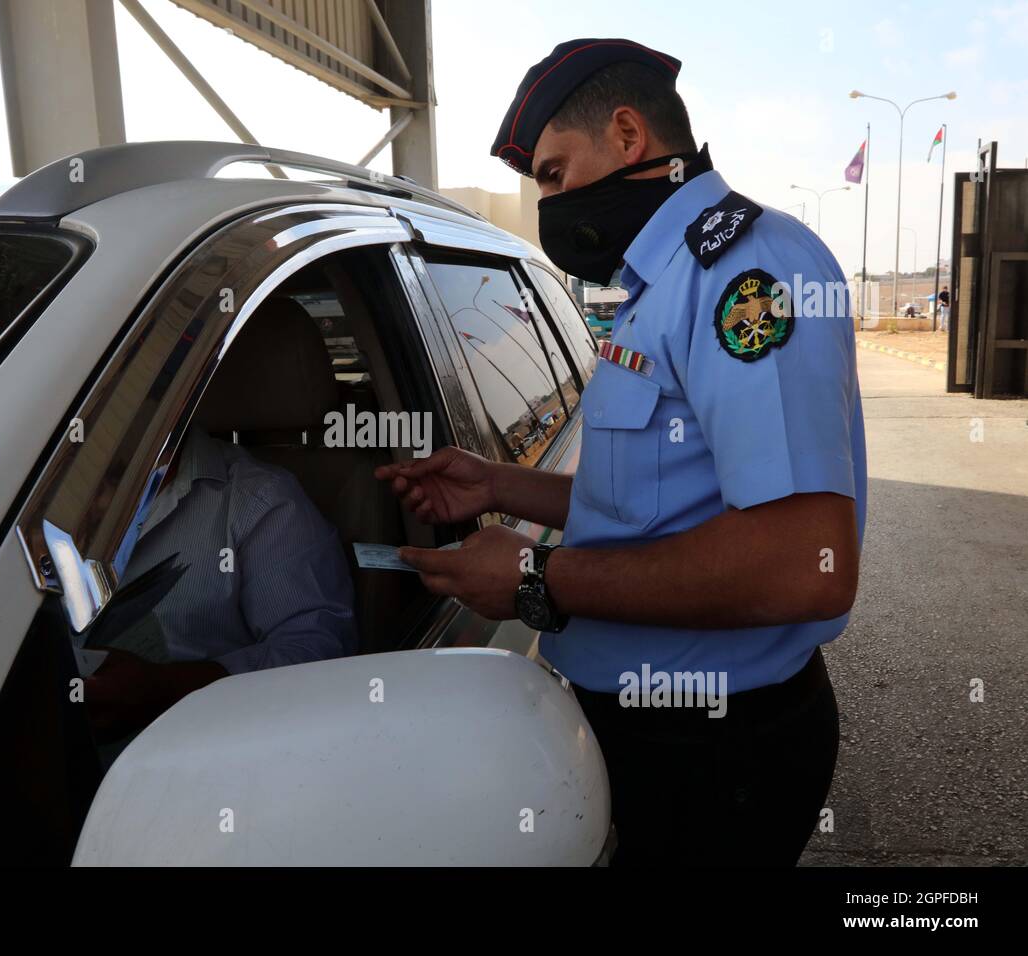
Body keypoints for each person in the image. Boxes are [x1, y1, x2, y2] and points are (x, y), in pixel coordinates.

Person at [377, 38, 866, 867]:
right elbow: (658, 498)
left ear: (630, 137)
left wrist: (534, 581)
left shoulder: (743, 273)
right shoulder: (660, 286)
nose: (551, 207)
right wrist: (498, 485)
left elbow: (803, 563)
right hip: (651, 738)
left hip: (717, 750)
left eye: (556, 176)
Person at [85, 424, 358, 740]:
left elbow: (316, 656)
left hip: (209, 759)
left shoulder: (261, 500)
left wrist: (168, 689)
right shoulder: (43, 497)